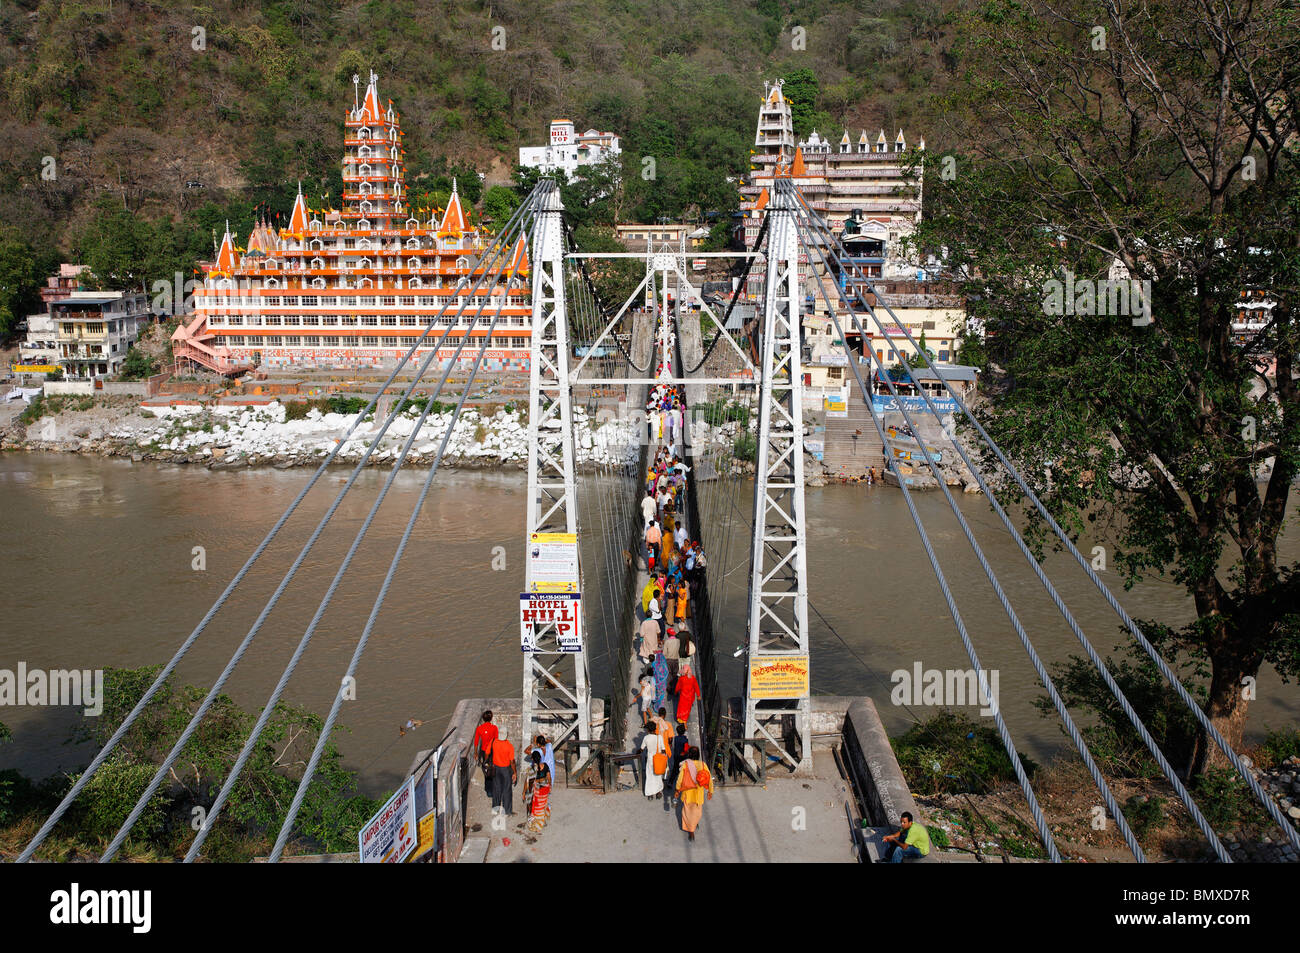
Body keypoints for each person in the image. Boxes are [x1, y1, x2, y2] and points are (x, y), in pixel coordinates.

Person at [675, 746, 713, 841]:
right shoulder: (703, 765)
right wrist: (710, 791)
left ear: (689, 755)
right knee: (697, 811)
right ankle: (694, 823)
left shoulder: (686, 765)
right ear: (698, 755)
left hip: (688, 793)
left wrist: (677, 790)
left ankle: (691, 830)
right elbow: (709, 779)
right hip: (698, 794)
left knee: (687, 811)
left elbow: (680, 779)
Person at [489, 724, 517, 816]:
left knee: (496, 788)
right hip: (505, 769)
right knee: (507, 790)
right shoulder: (509, 746)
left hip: (495, 768)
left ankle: (495, 808)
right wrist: (514, 772)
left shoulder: (493, 742)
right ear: (506, 735)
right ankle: (507, 811)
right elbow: (512, 761)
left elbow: (487, 752)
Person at [524, 752, 552, 833]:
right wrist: (549, 786)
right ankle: (543, 820)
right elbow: (549, 778)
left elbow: (527, 781)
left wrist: (524, 792)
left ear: (532, 759)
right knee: (543, 805)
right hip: (545, 788)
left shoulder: (531, 769)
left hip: (537, 790)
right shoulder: (545, 765)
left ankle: (536, 823)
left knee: (536, 807)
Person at [640, 719, 666, 799]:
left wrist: (637, 752)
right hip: (658, 759)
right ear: (655, 729)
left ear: (647, 730)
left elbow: (641, 749)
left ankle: (650, 794)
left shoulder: (646, 738)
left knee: (650, 776)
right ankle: (658, 792)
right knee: (658, 776)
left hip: (650, 759)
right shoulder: (659, 737)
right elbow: (663, 750)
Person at [471, 709, 498, 788]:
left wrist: (476, 753)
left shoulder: (479, 728)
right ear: (491, 718)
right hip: (492, 751)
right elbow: (496, 740)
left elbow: (476, 742)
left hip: (483, 751)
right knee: (493, 767)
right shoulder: (494, 728)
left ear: (483, 718)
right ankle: (493, 785)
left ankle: (487, 786)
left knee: (485, 767)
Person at [665, 721, 689, 793]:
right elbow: (686, 749)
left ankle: (670, 782)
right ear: (684, 732)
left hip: (676, 756)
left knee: (675, 769)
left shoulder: (676, 738)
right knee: (683, 770)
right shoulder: (685, 739)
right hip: (683, 756)